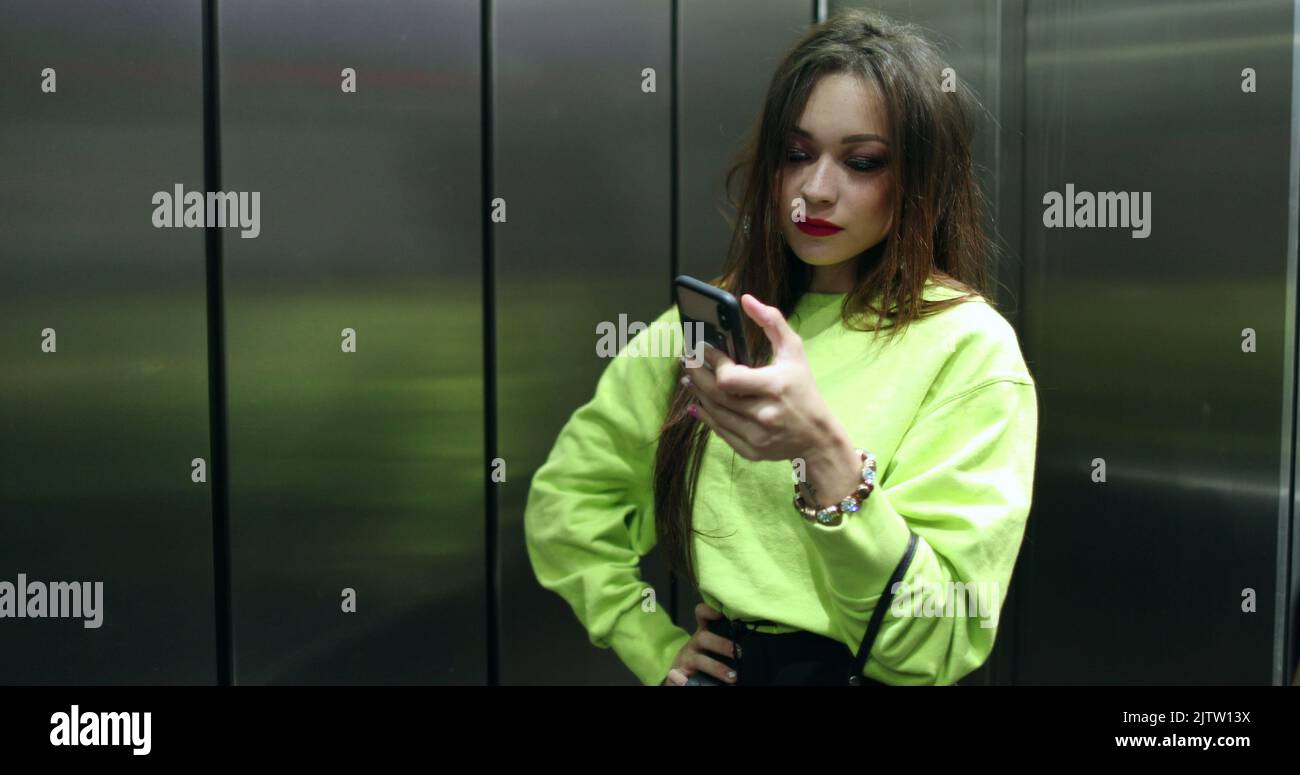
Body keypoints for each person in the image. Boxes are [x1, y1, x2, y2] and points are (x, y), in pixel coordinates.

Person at [523, 8, 1039, 686]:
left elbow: (933, 643)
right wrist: (648, 639)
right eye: (797, 154)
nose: (815, 189)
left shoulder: (969, 349)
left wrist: (822, 450)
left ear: (919, 180)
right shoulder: (711, 326)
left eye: (862, 161)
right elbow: (567, 503)